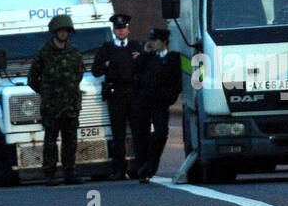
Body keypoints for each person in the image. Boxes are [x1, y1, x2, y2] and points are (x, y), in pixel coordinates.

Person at [28, 13, 84, 186]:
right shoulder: (44, 53)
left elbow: (79, 74)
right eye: (60, 31)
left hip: (70, 106)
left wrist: (70, 91)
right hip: (52, 107)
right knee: (50, 141)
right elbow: (32, 78)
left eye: (65, 31)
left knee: (70, 141)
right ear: (54, 32)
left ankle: (70, 173)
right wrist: (46, 92)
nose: (63, 34)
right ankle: (50, 174)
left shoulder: (74, 52)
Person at [89, 12, 141, 179]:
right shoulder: (107, 49)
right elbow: (96, 71)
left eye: (123, 28)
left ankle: (140, 167)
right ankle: (119, 169)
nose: (121, 31)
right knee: (118, 135)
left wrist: (140, 58)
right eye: (118, 29)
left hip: (133, 94)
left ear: (128, 29)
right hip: (116, 94)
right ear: (113, 30)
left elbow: (147, 67)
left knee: (138, 132)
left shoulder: (136, 47)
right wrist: (107, 65)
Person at [131, 27, 182, 183]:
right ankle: (142, 167)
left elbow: (177, 82)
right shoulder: (148, 57)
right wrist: (145, 53)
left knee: (160, 133)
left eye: (155, 41)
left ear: (164, 42)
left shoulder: (172, 58)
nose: (152, 43)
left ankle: (151, 164)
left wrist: (169, 98)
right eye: (151, 40)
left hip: (160, 103)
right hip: (144, 102)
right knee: (141, 135)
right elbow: (135, 68)